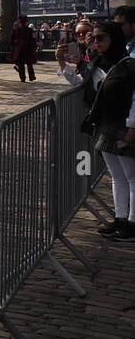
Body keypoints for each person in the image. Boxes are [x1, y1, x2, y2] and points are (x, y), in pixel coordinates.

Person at [63, 23, 135, 238]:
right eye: (93, 38)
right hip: (104, 124)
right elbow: (80, 83)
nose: (95, 42)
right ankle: (121, 217)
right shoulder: (96, 64)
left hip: (123, 124)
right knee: (117, 175)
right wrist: (63, 64)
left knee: (132, 176)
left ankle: (132, 222)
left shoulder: (129, 66)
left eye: (100, 38)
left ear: (114, 39)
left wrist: (132, 126)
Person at [9, 15, 37, 82]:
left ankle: (22, 78)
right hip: (27, 48)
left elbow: (11, 40)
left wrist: (13, 47)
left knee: (20, 64)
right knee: (29, 64)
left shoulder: (15, 30)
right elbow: (32, 40)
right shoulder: (29, 30)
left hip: (19, 49)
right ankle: (31, 76)